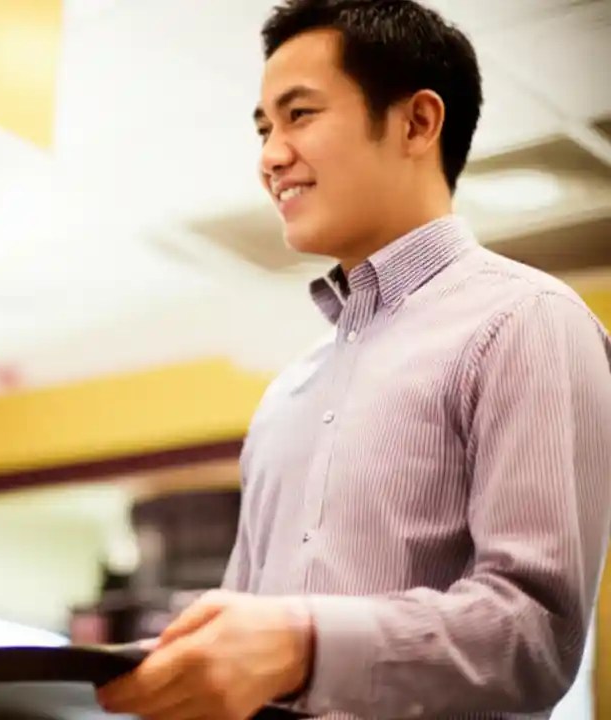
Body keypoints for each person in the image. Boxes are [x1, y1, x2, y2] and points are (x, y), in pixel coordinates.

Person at [97, 0, 611, 717]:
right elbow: (240, 639)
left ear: (418, 122)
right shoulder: (287, 396)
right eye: (264, 128)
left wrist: (304, 645)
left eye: (300, 115)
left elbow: (535, 636)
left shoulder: (528, 324)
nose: (271, 155)